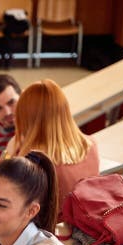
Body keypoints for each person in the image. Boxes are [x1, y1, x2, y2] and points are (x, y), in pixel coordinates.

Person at [6, 79, 100, 216]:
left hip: (49, 232)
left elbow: (13, 206)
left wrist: (11, 151)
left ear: (25, 117)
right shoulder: (91, 144)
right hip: (86, 224)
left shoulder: (33, 161)